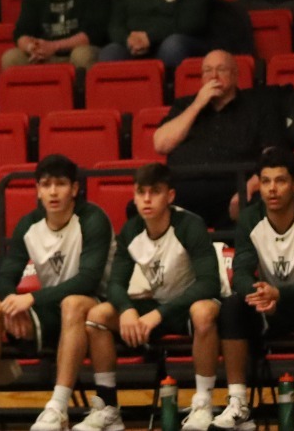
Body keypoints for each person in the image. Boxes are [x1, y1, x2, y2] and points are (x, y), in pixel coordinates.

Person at [0, 154, 112, 431]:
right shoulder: (28, 225)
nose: (53, 191)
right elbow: (4, 277)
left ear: (74, 189)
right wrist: (10, 306)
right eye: (46, 184)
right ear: (37, 190)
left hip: (98, 309)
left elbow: (87, 280)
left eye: (61, 184)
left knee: (73, 303)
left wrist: (31, 298)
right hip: (52, 307)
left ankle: (58, 408)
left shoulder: (92, 219)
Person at [83, 164, 222, 431]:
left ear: (169, 196)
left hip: (189, 304)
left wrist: (157, 314)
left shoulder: (190, 225)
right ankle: (109, 406)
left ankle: (203, 403)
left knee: (203, 313)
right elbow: (115, 284)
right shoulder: (131, 230)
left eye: (154, 192)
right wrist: (126, 309)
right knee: (98, 316)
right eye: (140, 192)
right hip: (155, 306)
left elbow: (209, 284)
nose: (146, 199)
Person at [215, 149, 294, 431]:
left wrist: (279, 293)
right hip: (267, 304)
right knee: (233, 305)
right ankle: (237, 403)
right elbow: (241, 272)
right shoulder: (249, 218)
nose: (272, 189)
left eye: (280, 181)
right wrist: (258, 293)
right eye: (266, 181)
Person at [153, 50, 281, 226]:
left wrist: (250, 186)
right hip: (185, 190)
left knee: (259, 204)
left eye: (221, 69)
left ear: (235, 75)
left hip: (235, 189)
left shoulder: (256, 107)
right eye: (207, 71)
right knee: (142, 205)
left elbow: (273, 154)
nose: (214, 76)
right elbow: (161, 144)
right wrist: (198, 104)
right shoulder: (185, 106)